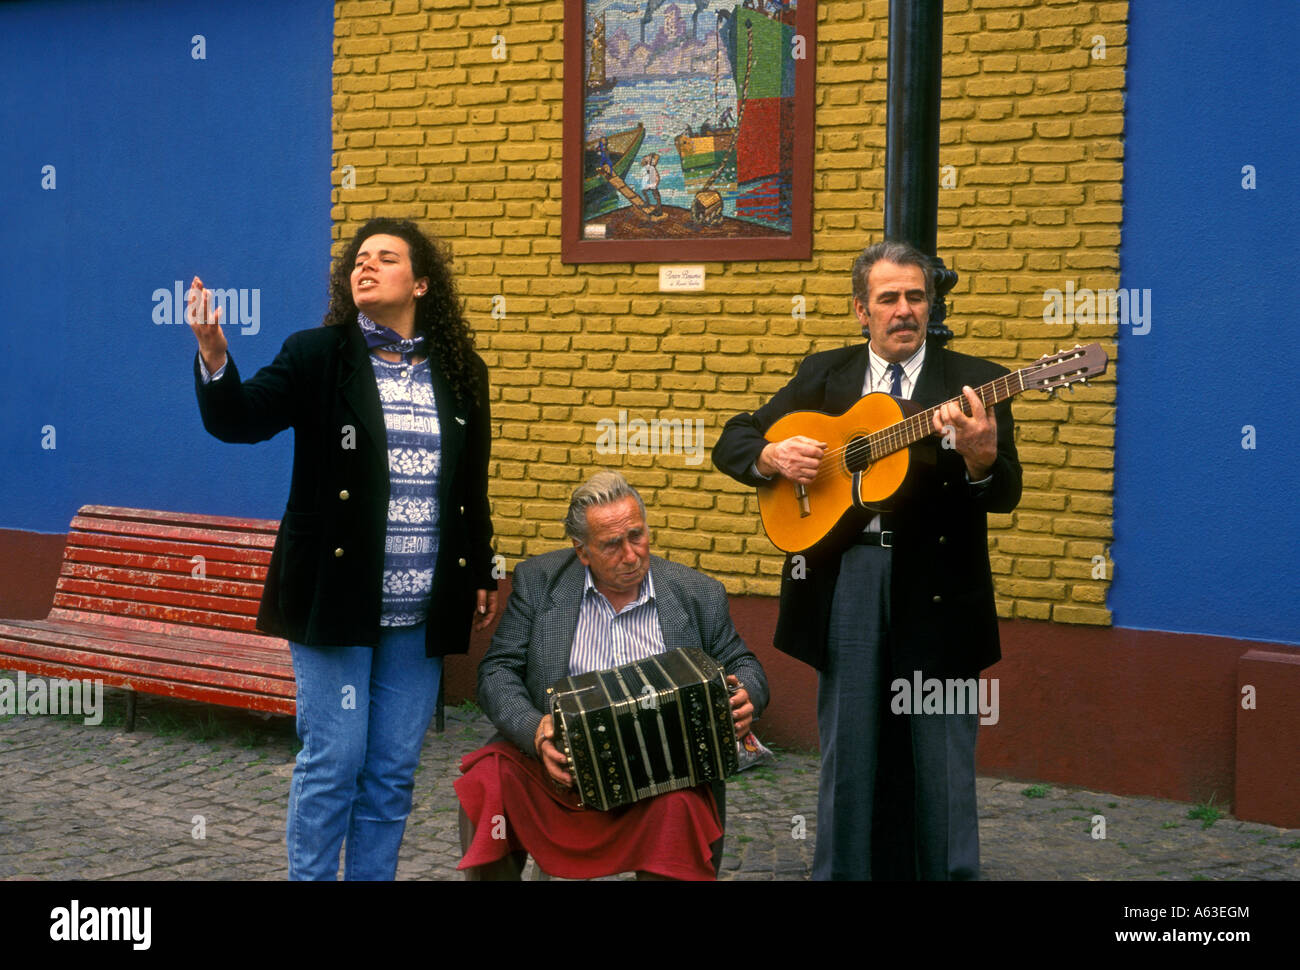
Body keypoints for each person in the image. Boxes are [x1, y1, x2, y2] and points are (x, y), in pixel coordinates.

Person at [189, 217, 498, 880]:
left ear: (420, 282)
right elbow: (239, 419)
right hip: (335, 597)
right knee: (335, 759)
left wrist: (480, 566)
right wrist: (215, 357)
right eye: (358, 258)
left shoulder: (463, 372)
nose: (365, 265)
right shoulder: (317, 355)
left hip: (420, 606)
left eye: (384, 258)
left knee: (390, 771)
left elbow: (471, 485)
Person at [712, 239, 1022, 880]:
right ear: (862, 309)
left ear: (931, 305)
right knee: (848, 751)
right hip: (848, 577)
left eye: (916, 296)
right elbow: (735, 437)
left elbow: (1006, 493)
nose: (904, 310)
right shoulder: (824, 375)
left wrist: (982, 460)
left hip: (940, 586)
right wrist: (772, 459)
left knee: (942, 758)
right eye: (889, 298)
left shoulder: (975, 383)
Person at [456, 471, 768, 880]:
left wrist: (747, 694)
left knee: (682, 808)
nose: (631, 555)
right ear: (582, 551)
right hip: (563, 765)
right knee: (487, 782)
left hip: (664, 773)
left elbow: (743, 663)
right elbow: (498, 670)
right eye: (611, 545)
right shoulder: (539, 582)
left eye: (637, 536)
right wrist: (536, 730)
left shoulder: (697, 593)